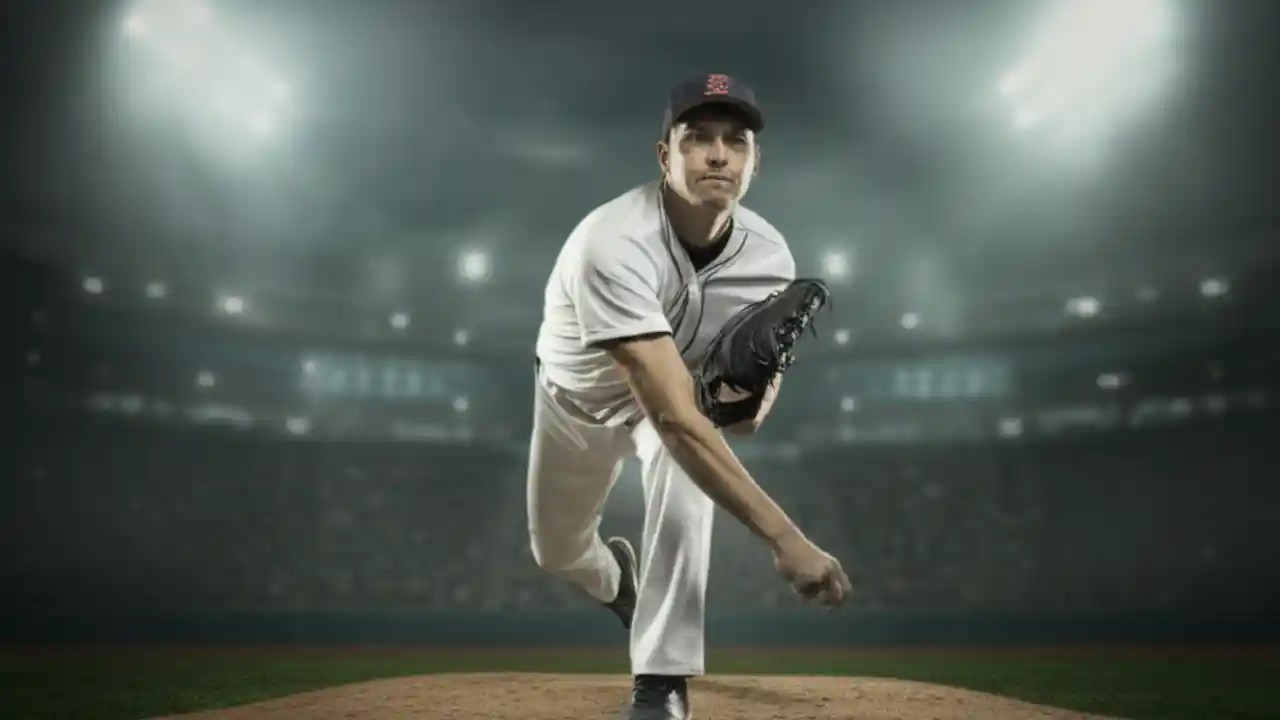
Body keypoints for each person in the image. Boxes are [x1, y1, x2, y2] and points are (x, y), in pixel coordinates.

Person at [527, 72, 853, 720]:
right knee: (557, 551)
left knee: (687, 471)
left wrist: (750, 399)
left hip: (673, 407)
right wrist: (785, 537)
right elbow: (675, 416)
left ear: (755, 162)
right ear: (664, 155)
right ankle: (618, 581)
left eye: (736, 141)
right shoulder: (611, 242)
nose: (717, 154)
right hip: (576, 406)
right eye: (697, 138)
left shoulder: (772, 259)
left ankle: (662, 677)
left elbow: (744, 416)